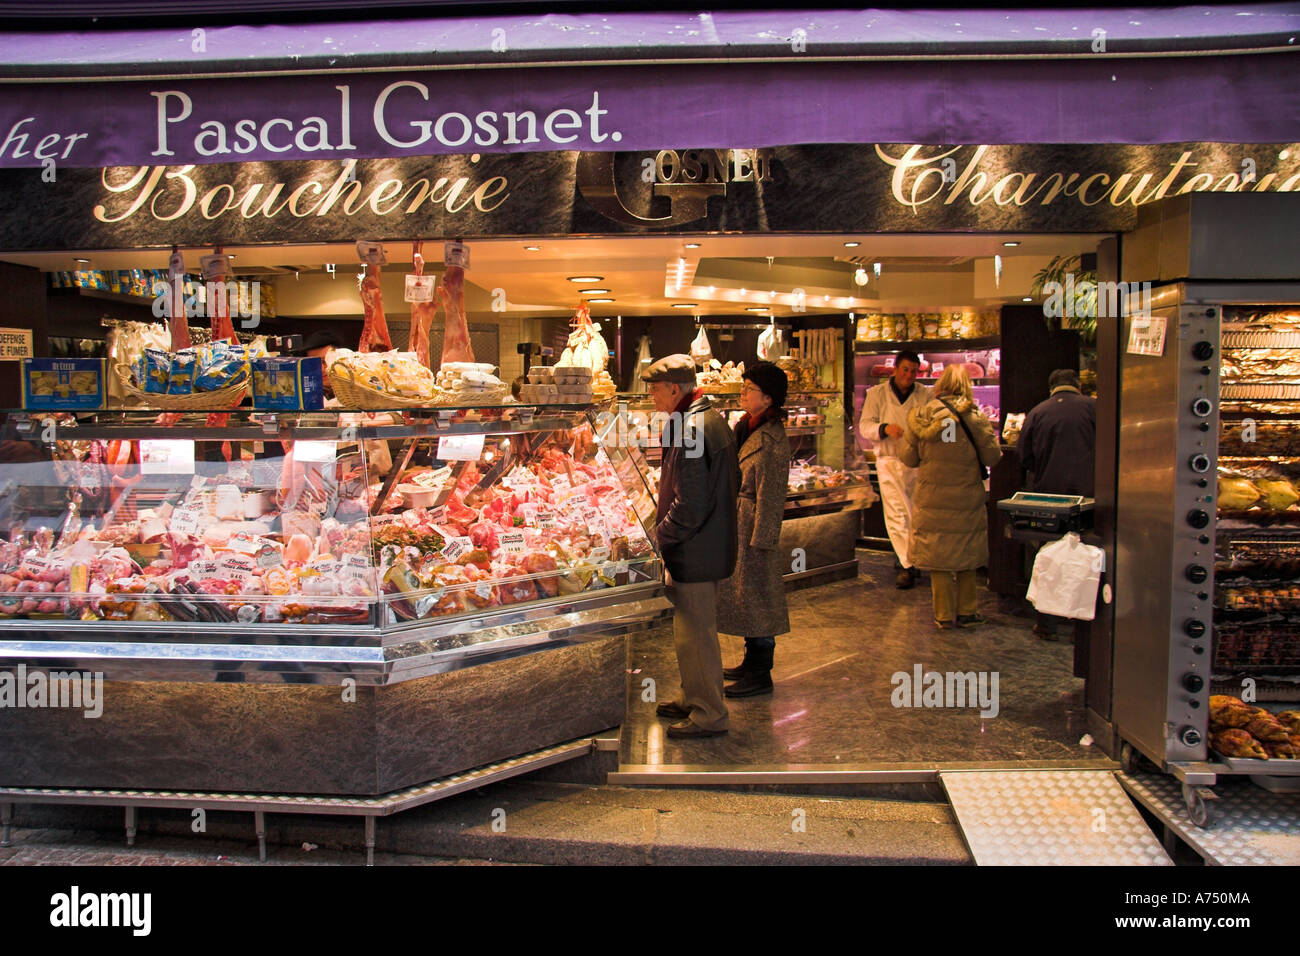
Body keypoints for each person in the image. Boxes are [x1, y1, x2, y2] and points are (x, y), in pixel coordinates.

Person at [642, 354, 739, 738]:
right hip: (705, 544)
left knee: (697, 634)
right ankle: (692, 696)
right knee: (689, 632)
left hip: (697, 549)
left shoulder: (692, 429)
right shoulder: (704, 419)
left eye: (654, 389)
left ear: (675, 389)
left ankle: (708, 714)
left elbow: (692, 503)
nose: (651, 396)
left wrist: (659, 537)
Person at [899, 365, 1002, 629]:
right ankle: (967, 612)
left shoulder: (921, 416)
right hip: (966, 496)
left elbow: (908, 458)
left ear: (940, 385)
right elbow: (992, 457)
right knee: (965, 551)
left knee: (939, 555)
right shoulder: (975, 418)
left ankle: (943, 615)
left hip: (932, 497)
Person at [717, 362, 792, 698]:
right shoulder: (745, 426)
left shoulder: (773, 440)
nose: (743, 393)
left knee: (758, 596)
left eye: (749, 388)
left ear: (768, 398)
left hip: (755, 528)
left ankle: (762, 673)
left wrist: (763, 541)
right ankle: (750, 661)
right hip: (740, 521)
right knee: (746, 598)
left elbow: (772, 496)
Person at [1017, 368, 1098, 638]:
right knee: (1088, 554)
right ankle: (1084, 621)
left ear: (1051, 388)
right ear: (1077, 385)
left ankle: (1047, 622)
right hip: (1090, 496)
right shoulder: (1094, 408)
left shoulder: (1038, 412)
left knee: (1050, 555)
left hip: (1049, 495)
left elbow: (1024, 456)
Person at [858, 350, 933, 588]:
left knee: (916, 515)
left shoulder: (925, 395)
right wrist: (884, 428)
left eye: (914, 371)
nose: (909, 376)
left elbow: (933, 423)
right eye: (905, 370)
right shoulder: (877, 394)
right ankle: (906, 566)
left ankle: (914, 559)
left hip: (917, 464)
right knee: (896, 516)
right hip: (889, 461)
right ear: (895, 370)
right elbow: (864, 426)